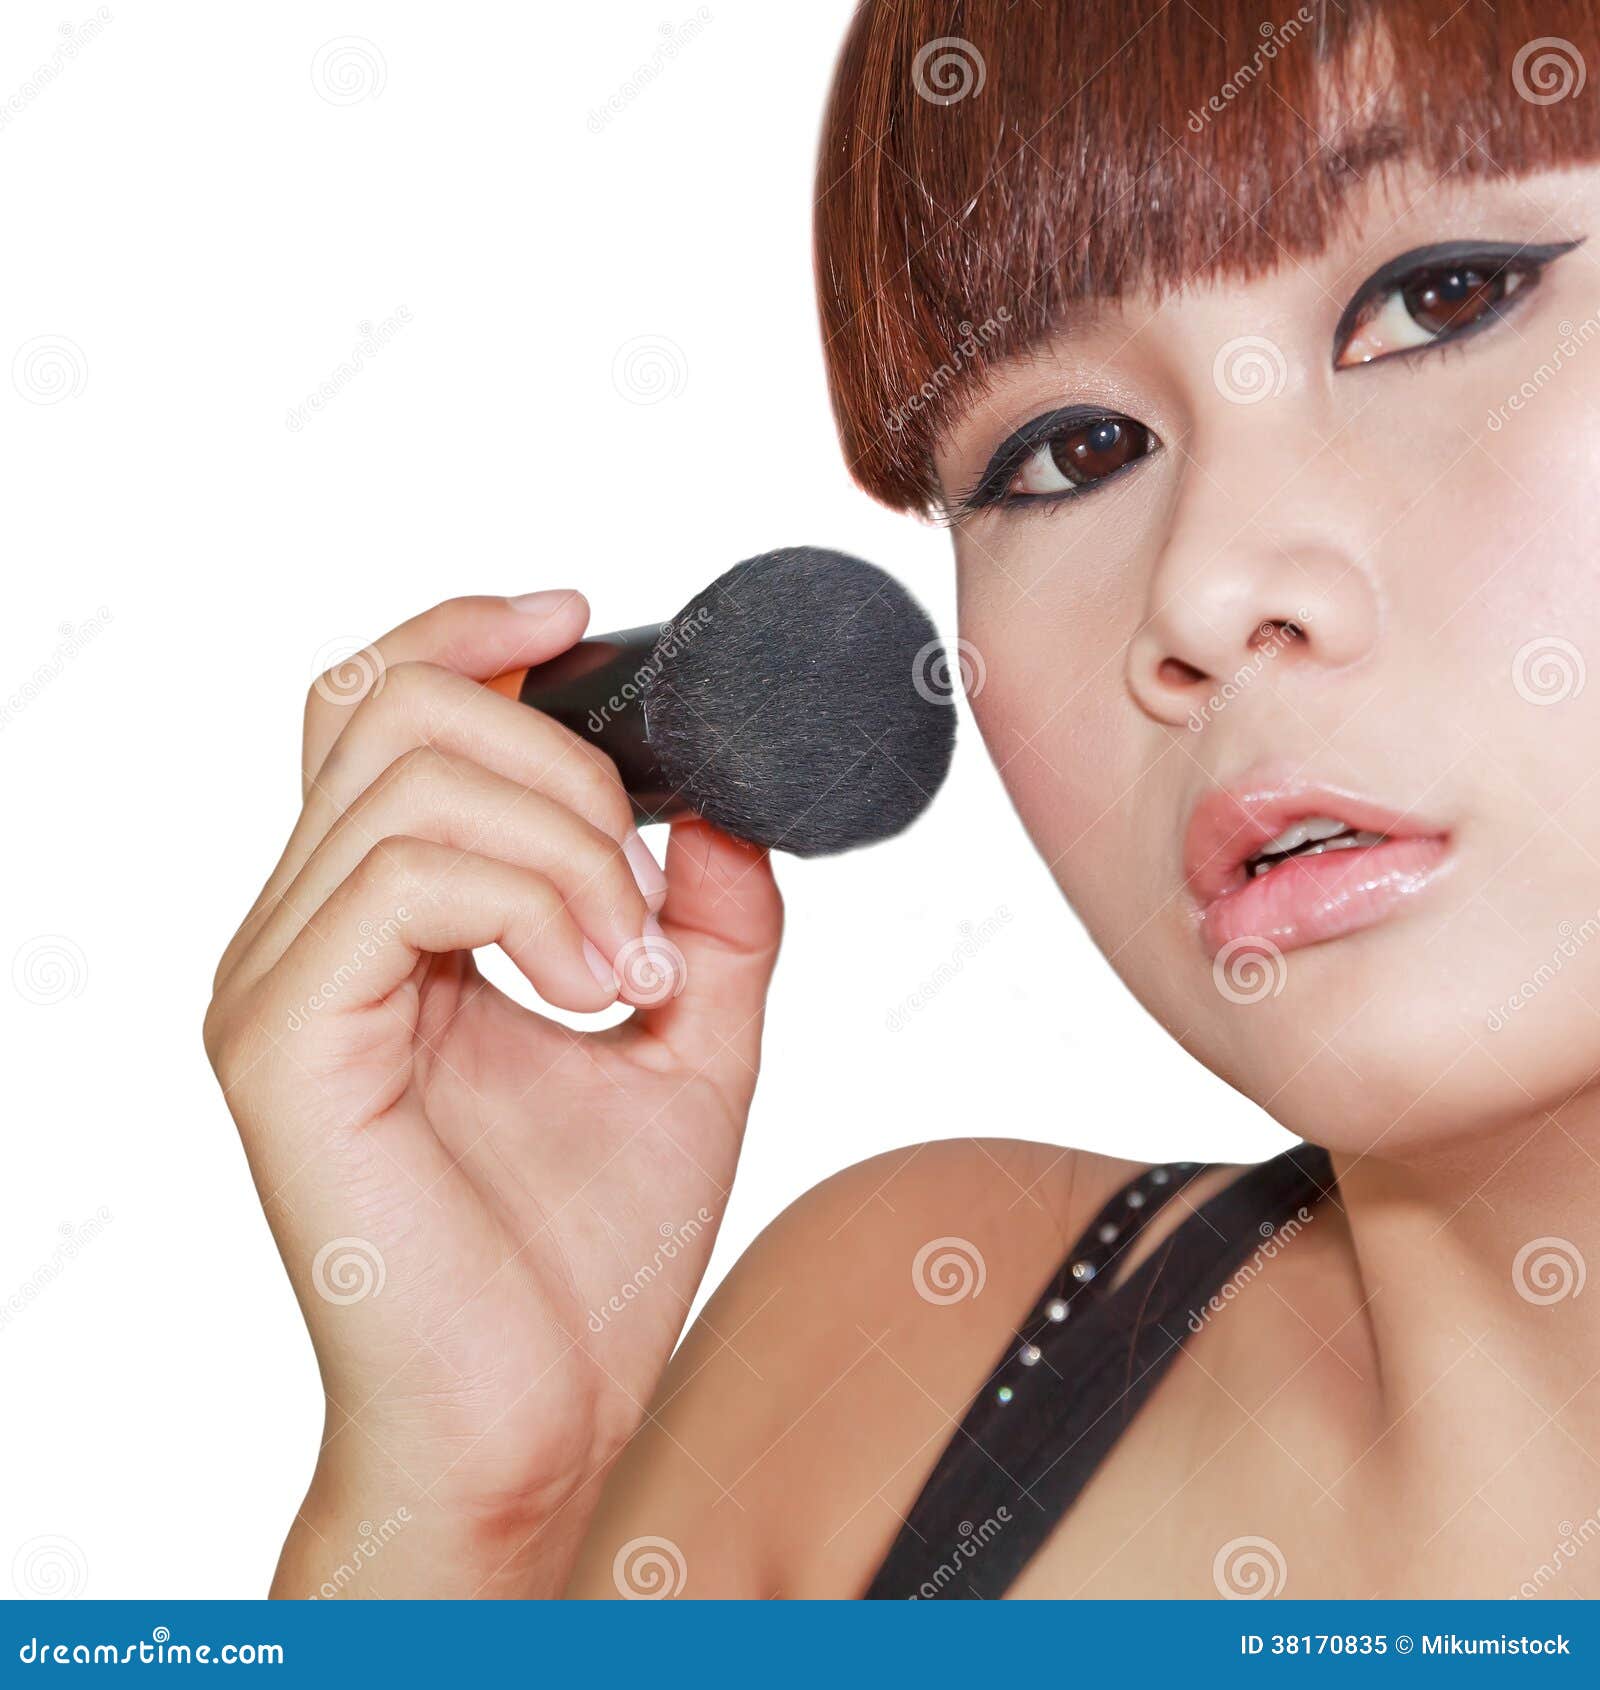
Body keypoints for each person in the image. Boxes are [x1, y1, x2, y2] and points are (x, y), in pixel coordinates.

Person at [203, 0, 1600, 1598]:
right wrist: (461, 1513)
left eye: (1443, 299)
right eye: (1073, 451)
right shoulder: (877, 1387)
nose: (1204, 589)